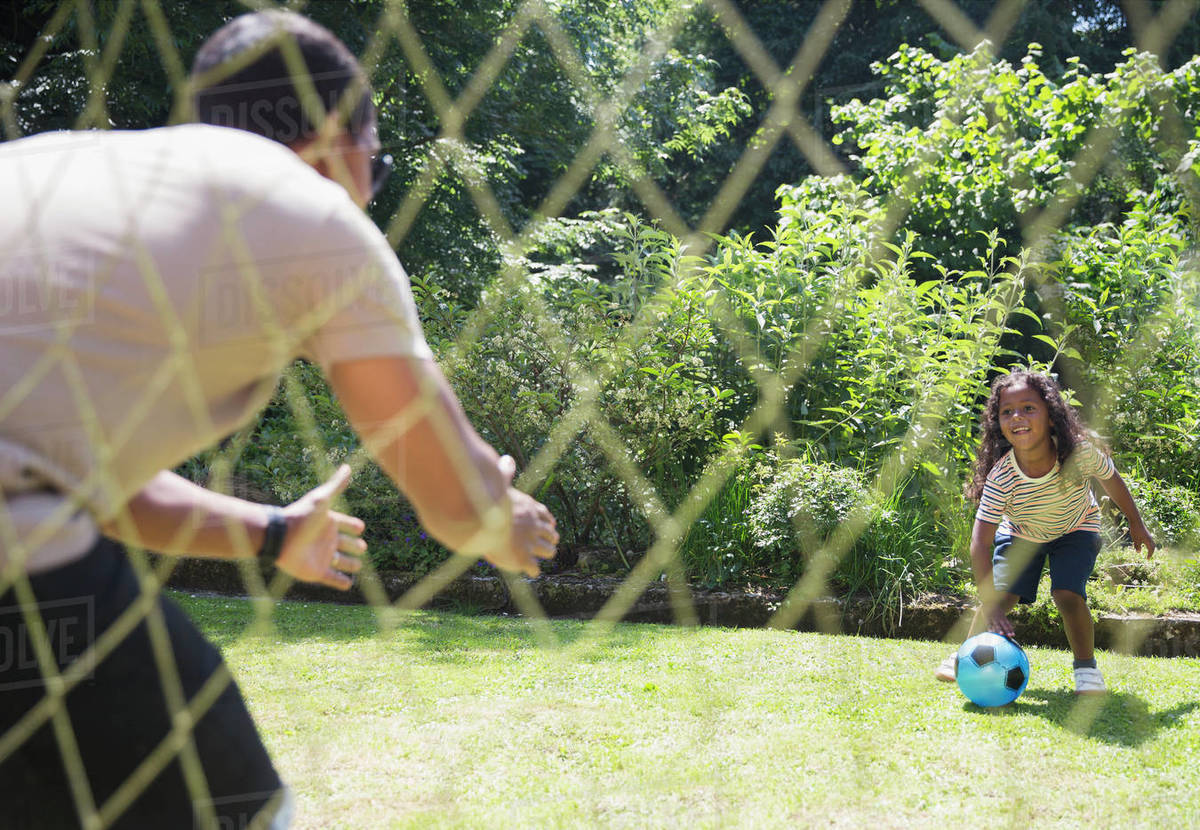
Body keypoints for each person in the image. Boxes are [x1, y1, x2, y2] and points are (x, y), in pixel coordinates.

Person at [0, 10, 557, 828]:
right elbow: (450, 500)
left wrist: (271, 532)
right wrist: (500, 515)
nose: (372, 184)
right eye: (382, 158)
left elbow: (79, 487)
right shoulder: (316, 221)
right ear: (338, 134)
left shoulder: (60, 169)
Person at [934, 370, 1154, 695]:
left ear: (1051, 416)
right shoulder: (1002, 476)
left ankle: (1086, 669)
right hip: (1022, 533)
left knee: (1067, 594)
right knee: (1000, 597)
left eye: (1028, 408)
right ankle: (966, 656)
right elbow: (980, 542)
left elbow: (1111, 479)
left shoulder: (1078, 453)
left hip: (1077, 527)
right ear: (998, 423)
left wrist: (1136, 522)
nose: (1017, 417)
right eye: (1007, 412)